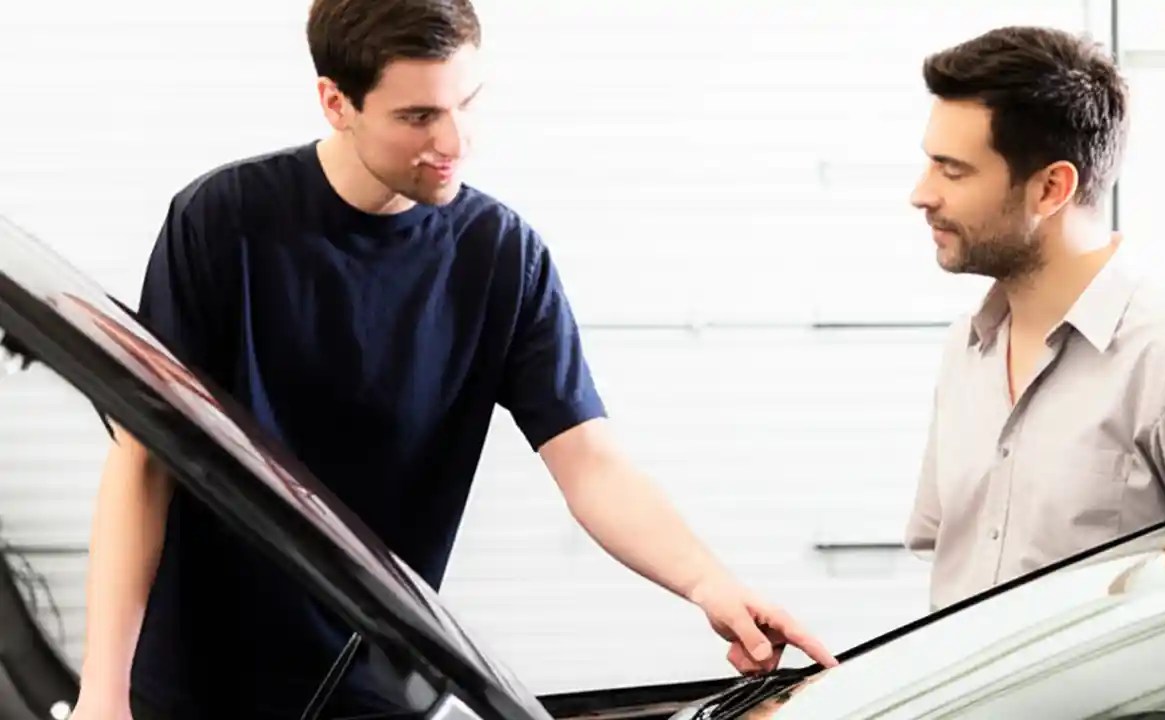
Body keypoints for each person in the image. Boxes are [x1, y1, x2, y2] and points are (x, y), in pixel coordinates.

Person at [68, 1, 837, 718]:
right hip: (194, 684)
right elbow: (145, 461)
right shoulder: (220, 222)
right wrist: (104, 693)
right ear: (336, 103)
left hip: (380, 685)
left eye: (467, 104)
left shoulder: (501, 255)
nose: (456, 142)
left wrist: (710, 583)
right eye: (419, 116)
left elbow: (591, 462)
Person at [902, 25, 1165, 613]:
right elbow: (947, 552)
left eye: (953, 171)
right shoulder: (966, 348)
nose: (921, 194)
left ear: (1052, 187)